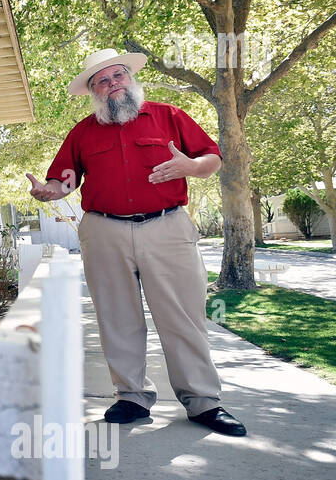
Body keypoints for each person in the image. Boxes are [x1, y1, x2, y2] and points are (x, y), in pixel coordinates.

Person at [26, 48, 246, 437]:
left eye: (117, 76)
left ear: (130, 78)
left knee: (183, 316)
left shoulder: (168, 116)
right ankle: (130, 395)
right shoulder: (83, 132)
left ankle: (203, 401)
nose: (112, 85)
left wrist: (191, 167)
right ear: (94, 91)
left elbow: (213, 157)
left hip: (168, 227)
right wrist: (51, 191)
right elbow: (65, 178)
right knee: (116, 316)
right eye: (102, 81)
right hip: (104, 231)